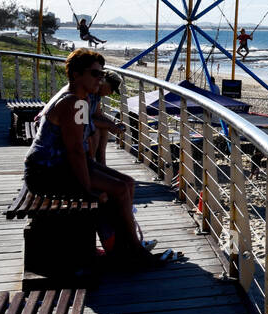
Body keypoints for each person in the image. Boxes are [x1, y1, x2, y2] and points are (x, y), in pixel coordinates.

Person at [23, 48, 175, 266]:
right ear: (76, 75)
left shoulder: (81, 100)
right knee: (118, 190)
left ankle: (126, 249)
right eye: (95, 74)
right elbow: (74, 149)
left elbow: (83, 143)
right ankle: (133, 253)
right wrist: (88, 190)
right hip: (46, 173)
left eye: (102, 74)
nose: (100, 79)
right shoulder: (72, 102)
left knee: (127, 183)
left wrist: (95, 169)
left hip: (60, 167)